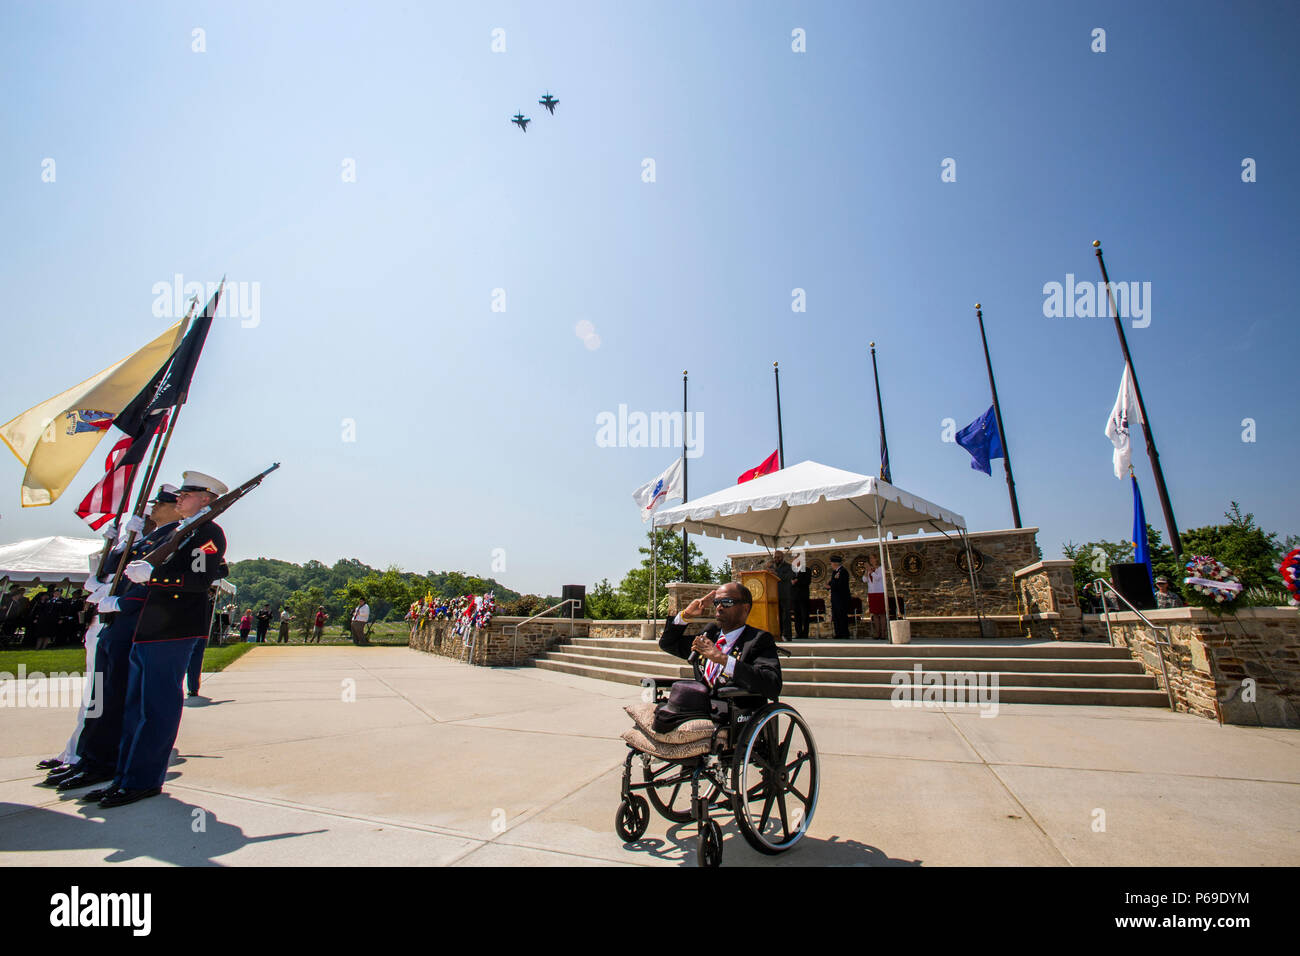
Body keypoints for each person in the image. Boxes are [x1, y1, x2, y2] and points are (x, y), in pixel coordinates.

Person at [95, 470, 230, 808]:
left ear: (207, 499)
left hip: (175, 629)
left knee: (156, 708)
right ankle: (123, 776)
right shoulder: (181, 531)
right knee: (135, 707)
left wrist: (156, 575)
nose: (179, 498)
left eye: (188, 493)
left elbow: (199, 580)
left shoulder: (208, 533)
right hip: (149, 629)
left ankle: (143, 779)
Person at [42, 491, 181, 791]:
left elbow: (153, 582)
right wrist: (119, 543)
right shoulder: (148, 538)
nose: (151, 508)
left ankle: (100, 759)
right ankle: (87, 757)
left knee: (113, 696)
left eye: (159, 504)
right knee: (99, 697)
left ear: (174, 508)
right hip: (112, 625)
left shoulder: (174, 537)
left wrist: (120, 603)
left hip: (130, 623)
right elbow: (111, 569)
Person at [659, 582, 782, 700]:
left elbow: (772, 684)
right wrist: (686, 615)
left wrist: (723, 659)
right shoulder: (710, 634)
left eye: (726, 602)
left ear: (745, 608)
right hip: (700, 709)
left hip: (734, 713)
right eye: (716, 602)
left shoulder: (758, 639)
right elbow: (668, 643)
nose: (719, 607)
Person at [766, 549, 794, 641]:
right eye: (775, 557)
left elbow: (788, 577)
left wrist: (776, 574)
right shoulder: (772, 566)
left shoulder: (788, 566)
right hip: (774, 595)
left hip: (785, 594)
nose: (776, 559)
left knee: (786, 616)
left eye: (778, 557)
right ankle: (778, 635)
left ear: (782, 557)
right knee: (777, 616)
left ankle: (787, 635)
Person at [862, 553, 887, 640]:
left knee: (882, 613)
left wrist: (871, 571)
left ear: (876, 559)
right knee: (875, 614)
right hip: (872, 593)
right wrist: (867, 571)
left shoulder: (880, 568)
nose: (871, 560)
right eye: (870, 559)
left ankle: (883, 632)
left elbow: (878, 578)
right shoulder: (869, 569)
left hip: (880, 592)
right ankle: (877, 632)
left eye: (872, 558)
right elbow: (864, 580)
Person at [826, 555, 851, 639]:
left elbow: (841, 585)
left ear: (835, 563)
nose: (831, 565)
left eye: (832, 563)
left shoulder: (843, 571)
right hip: (835, 598)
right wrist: (828, 584)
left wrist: (831, 586)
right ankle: (838, 633)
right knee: (836, 616)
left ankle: (844, 633)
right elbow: (833, 582)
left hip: (842, 598)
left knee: (842, 615)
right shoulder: (834, 572)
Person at [791, 558, 811, 640]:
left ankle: (805, 633)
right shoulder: (793, 571)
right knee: (797, 616)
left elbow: (807, 581)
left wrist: (797, 581)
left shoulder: (806, 570)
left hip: (803, 596)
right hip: (795, 596)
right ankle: (798, 633)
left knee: (805, 615)